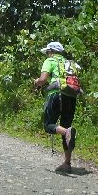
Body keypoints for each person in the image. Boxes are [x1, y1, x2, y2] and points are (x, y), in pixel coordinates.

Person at [33, 41, 82, 173]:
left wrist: (36, 82)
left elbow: (43, 80)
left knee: (49, 125)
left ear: (51, 51)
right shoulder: (70, 64)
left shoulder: (50, 61)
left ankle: (67, 132)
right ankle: (67, 163)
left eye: (48, 52)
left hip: (55, 94)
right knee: (66, 126)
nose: (47, 54)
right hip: (71, 96)